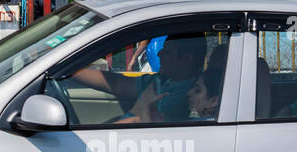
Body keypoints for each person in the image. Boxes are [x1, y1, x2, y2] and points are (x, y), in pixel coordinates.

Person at [73, 33, 208, 123]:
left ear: (186, 59)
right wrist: (71, 71)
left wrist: (97, 135)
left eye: (167, 51)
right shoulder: (164, 79)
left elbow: (141, 121)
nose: (160, 53)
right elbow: (118, 83)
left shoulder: (190, 96)